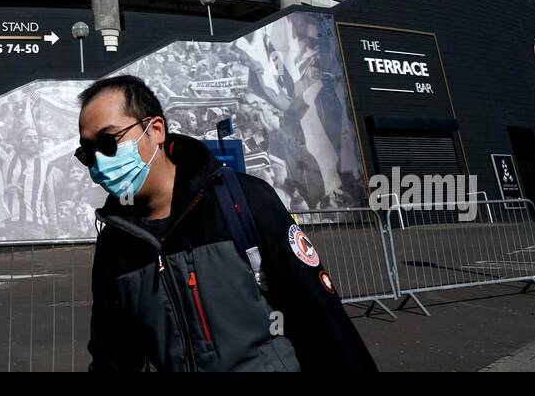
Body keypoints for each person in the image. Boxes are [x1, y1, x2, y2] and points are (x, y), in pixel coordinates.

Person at [77, 74, 377, 372]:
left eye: (108, 141)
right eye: (87, 152)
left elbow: (321, 319)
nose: (99, 162)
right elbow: (112, 356)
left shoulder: (242, 200)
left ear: (155, 130)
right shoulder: (115, 242)